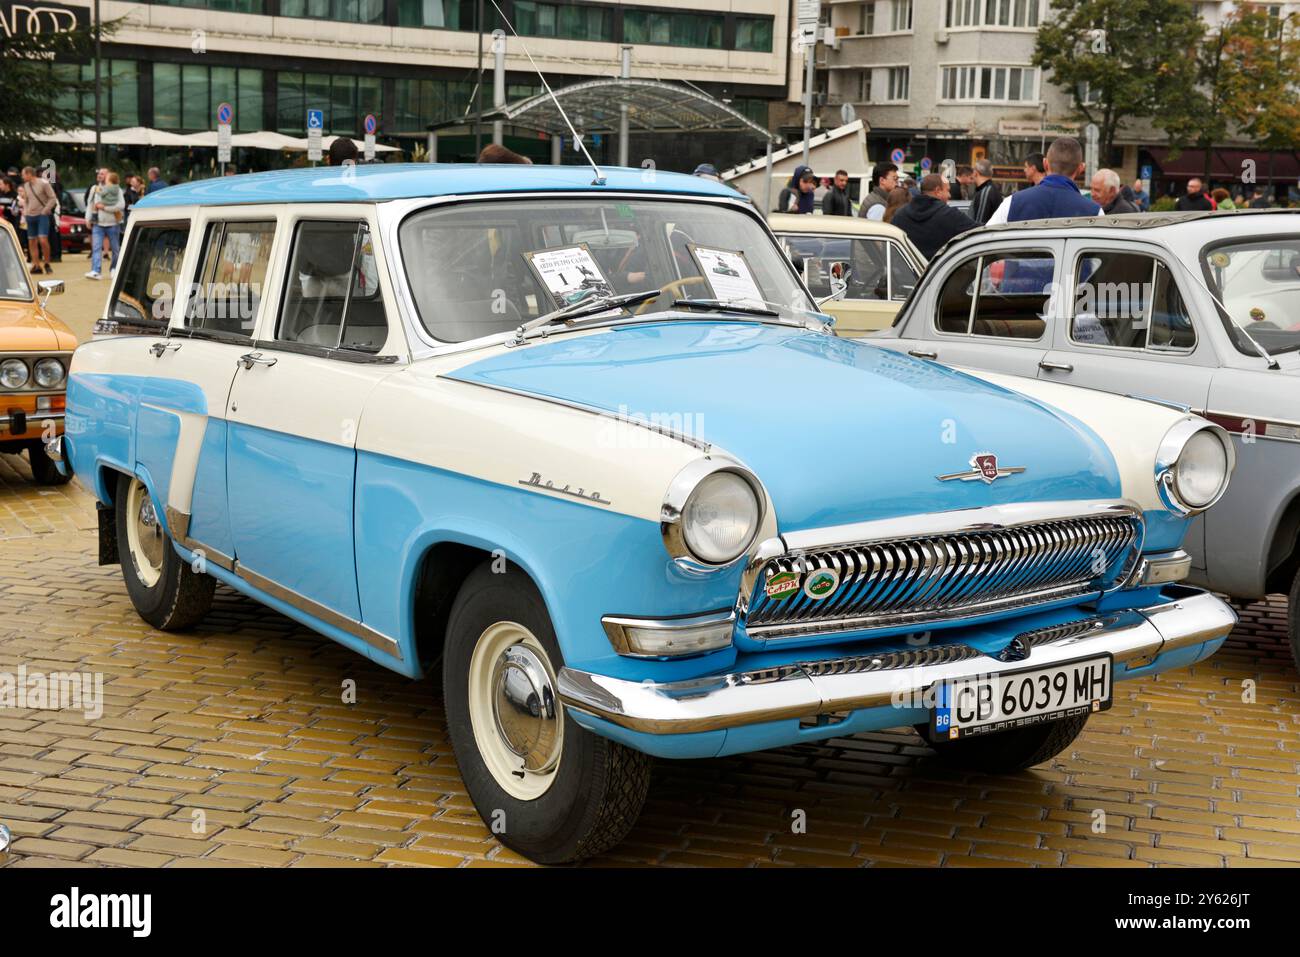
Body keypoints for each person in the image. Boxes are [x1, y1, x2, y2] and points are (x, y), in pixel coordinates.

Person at [988, 137, 1101, 224]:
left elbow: (986, 243)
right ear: (1081, 169)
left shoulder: (1012, 203)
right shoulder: (1095, 213)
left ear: (1045, 164)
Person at [889, 174, 978, 259]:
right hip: (941, 272)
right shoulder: (949, 215)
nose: (949, 195)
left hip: (907, 272)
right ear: (938, 191)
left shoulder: (900, 214)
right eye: (947, 190)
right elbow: (979, 231)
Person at [85, 170, 125, 280]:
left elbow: (121, 205)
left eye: (102, 174)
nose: (99, 175)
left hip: (113, 223)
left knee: (115, 249)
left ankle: (114, 269)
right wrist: (87, 219)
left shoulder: (118, 190)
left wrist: (105, 208)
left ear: (108, 176)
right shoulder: (94, 189)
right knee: (96, 247)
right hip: (98, 224)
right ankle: (96, 271)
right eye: (98, 173)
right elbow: (90, 204)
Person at [19, 167, 57, 275]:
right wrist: (26, 212)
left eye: (23, 174)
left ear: (29, 174)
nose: (22, 177)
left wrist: (45, 210)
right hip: (30, 216)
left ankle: (47, 263)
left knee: (43, 240)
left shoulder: (43, 183)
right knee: (31, 241)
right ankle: (36, 265)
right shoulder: (26, 186)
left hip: (42, 215)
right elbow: (26, 200)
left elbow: (52, 198)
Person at [969, 158, 1003, 224]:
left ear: (976, 173)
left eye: (973, 171)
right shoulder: (990, 189)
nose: (972, 175)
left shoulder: (985, 193)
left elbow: (979, 224)